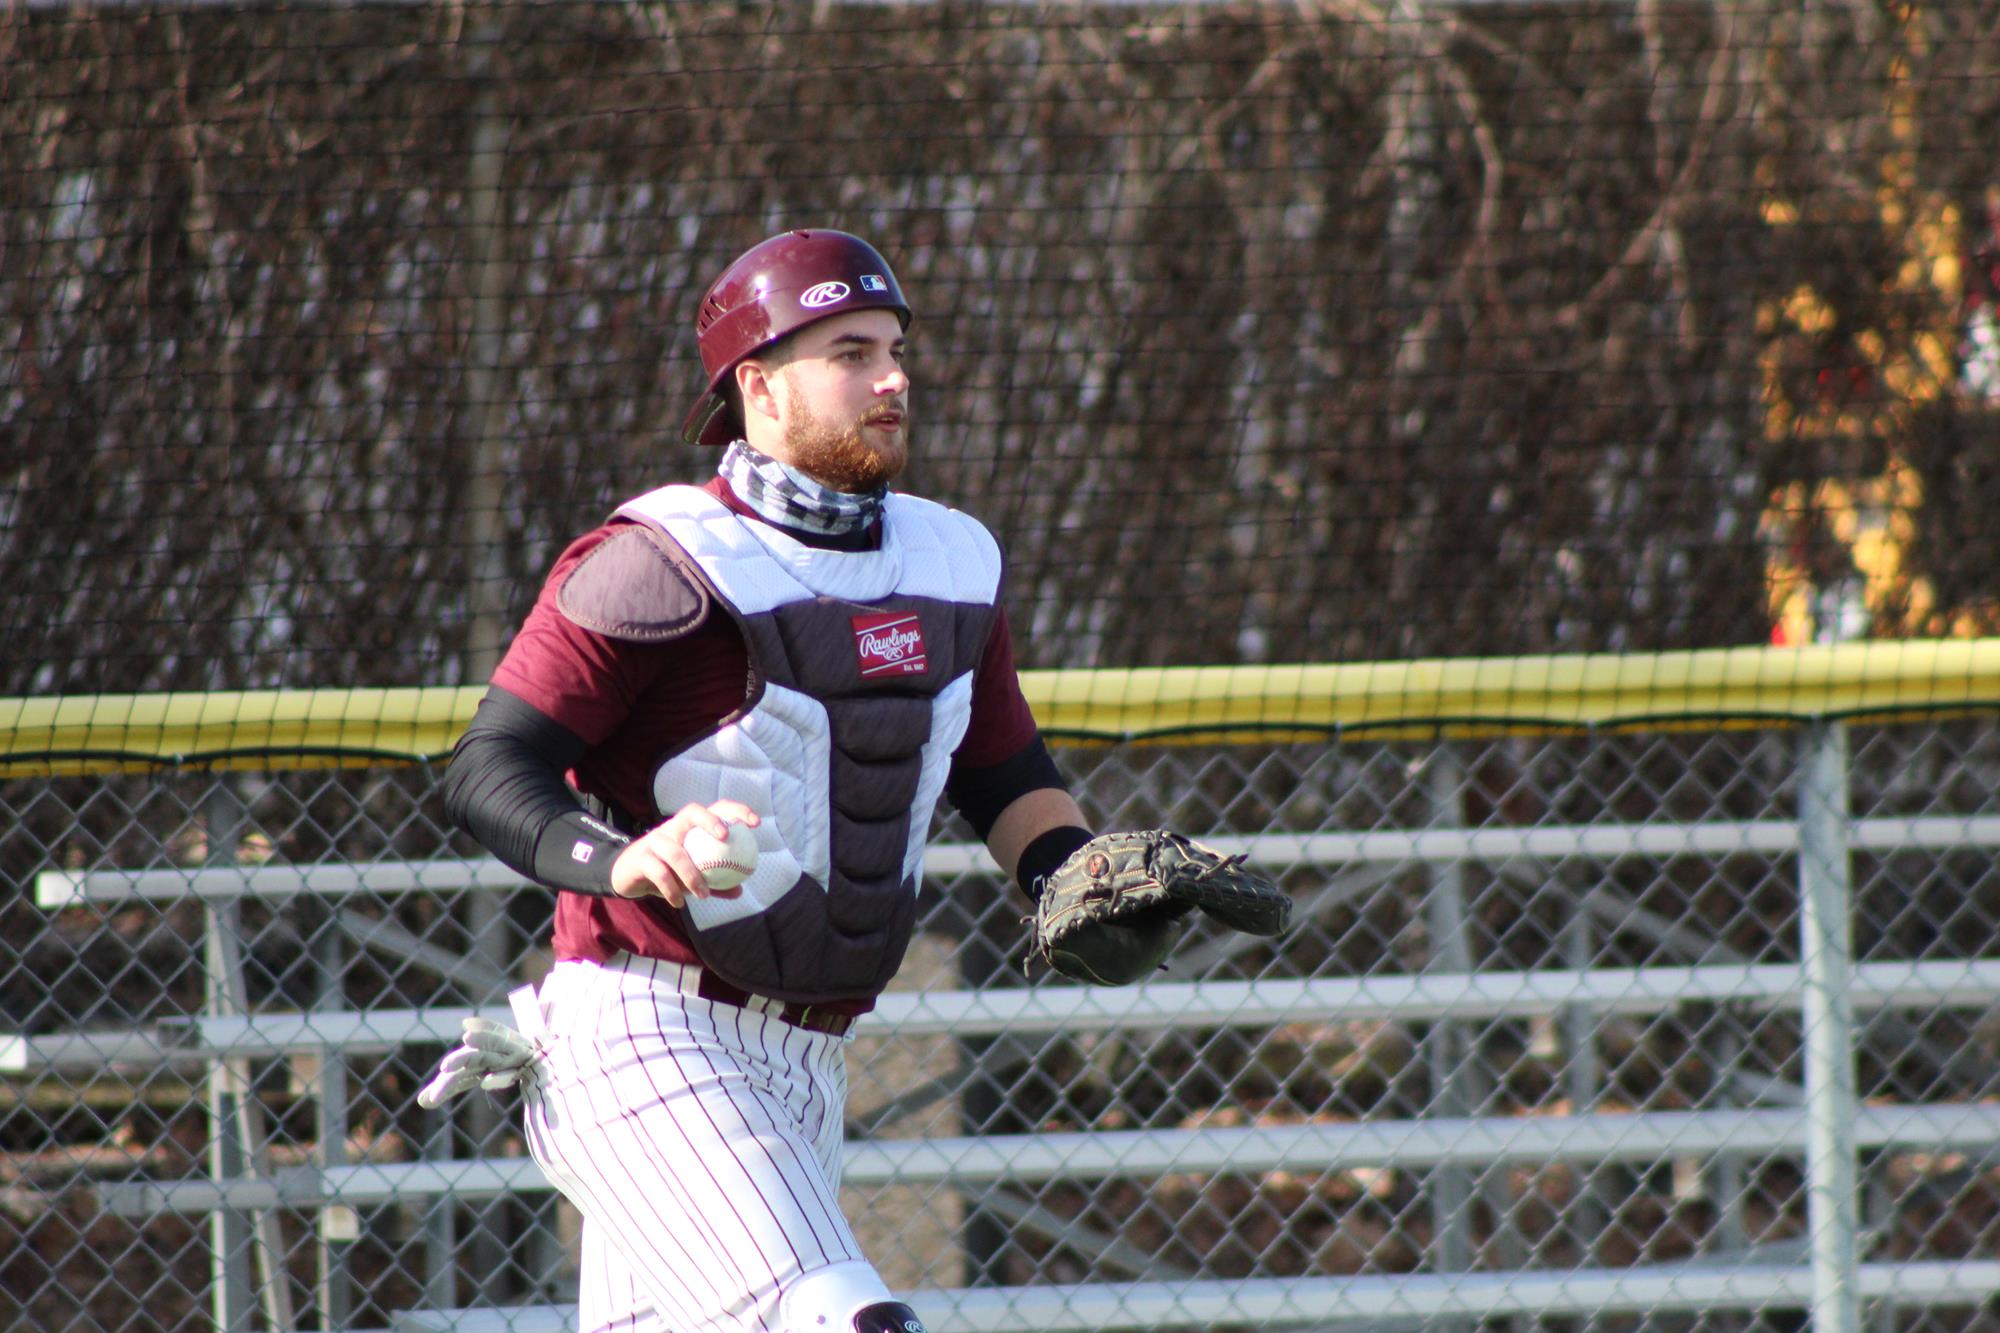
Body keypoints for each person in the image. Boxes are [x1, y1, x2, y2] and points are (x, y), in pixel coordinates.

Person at [431, 229, 1101, 1333]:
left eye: (892, 348)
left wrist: (1079, 871)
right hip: (644, 1034)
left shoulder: (949, 560)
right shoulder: (661, 557)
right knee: (847, 1321)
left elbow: (1004, 770)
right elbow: (488, 765)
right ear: (756, 383)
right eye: (848, 351)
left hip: (805, 1061)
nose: (891, 377)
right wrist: (624, 857)